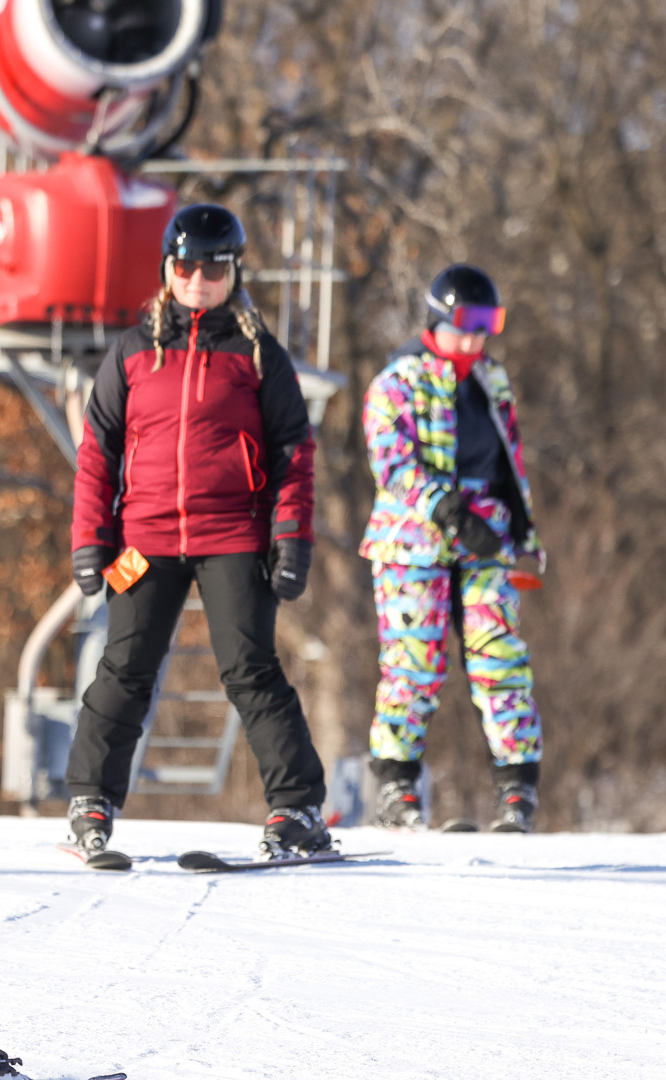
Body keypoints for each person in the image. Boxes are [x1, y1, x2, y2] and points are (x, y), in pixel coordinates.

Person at [65, 203, 328, 860]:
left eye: (214, 266)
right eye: (185, 265)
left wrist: (290, 536)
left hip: (233, 534)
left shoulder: (258, 355)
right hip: (143, 539)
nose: (198, 278)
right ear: (167, 268)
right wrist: (90, 538)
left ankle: (297, 808)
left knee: (250, 669)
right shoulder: (132, 352)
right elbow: (97, 449)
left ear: (234, 271)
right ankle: (90, 802)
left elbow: (295, 450)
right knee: (124, 667)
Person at [361, 263, 544, 832]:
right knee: (414, 662)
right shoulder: (399, 380)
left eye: (488, 325)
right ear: (437, 319)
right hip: (414, 538)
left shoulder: (491, 380)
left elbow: (509, 462)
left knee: (499, 657)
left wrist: (524, 534)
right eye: (466, 324)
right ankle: (397, 787)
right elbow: (392, 461)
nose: (476, 338)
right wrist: (447, 511)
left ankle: (516, 789)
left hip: (486, 537)